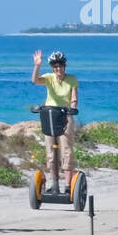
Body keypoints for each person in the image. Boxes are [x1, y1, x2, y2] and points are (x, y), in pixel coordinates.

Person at [31, 50, 79, 180]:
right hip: (50, 116)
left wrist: (72, 108)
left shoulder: (72, 79)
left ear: (64, 66)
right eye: (55, 66)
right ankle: (54, 183)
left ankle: (69, 186)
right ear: (52, 67)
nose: (58, 68)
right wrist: (37, 65)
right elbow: (35, 80)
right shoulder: (49, 77)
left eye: (60, 65)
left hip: (65, 116)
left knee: (66, 151)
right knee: (51, 153)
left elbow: (73, 98)